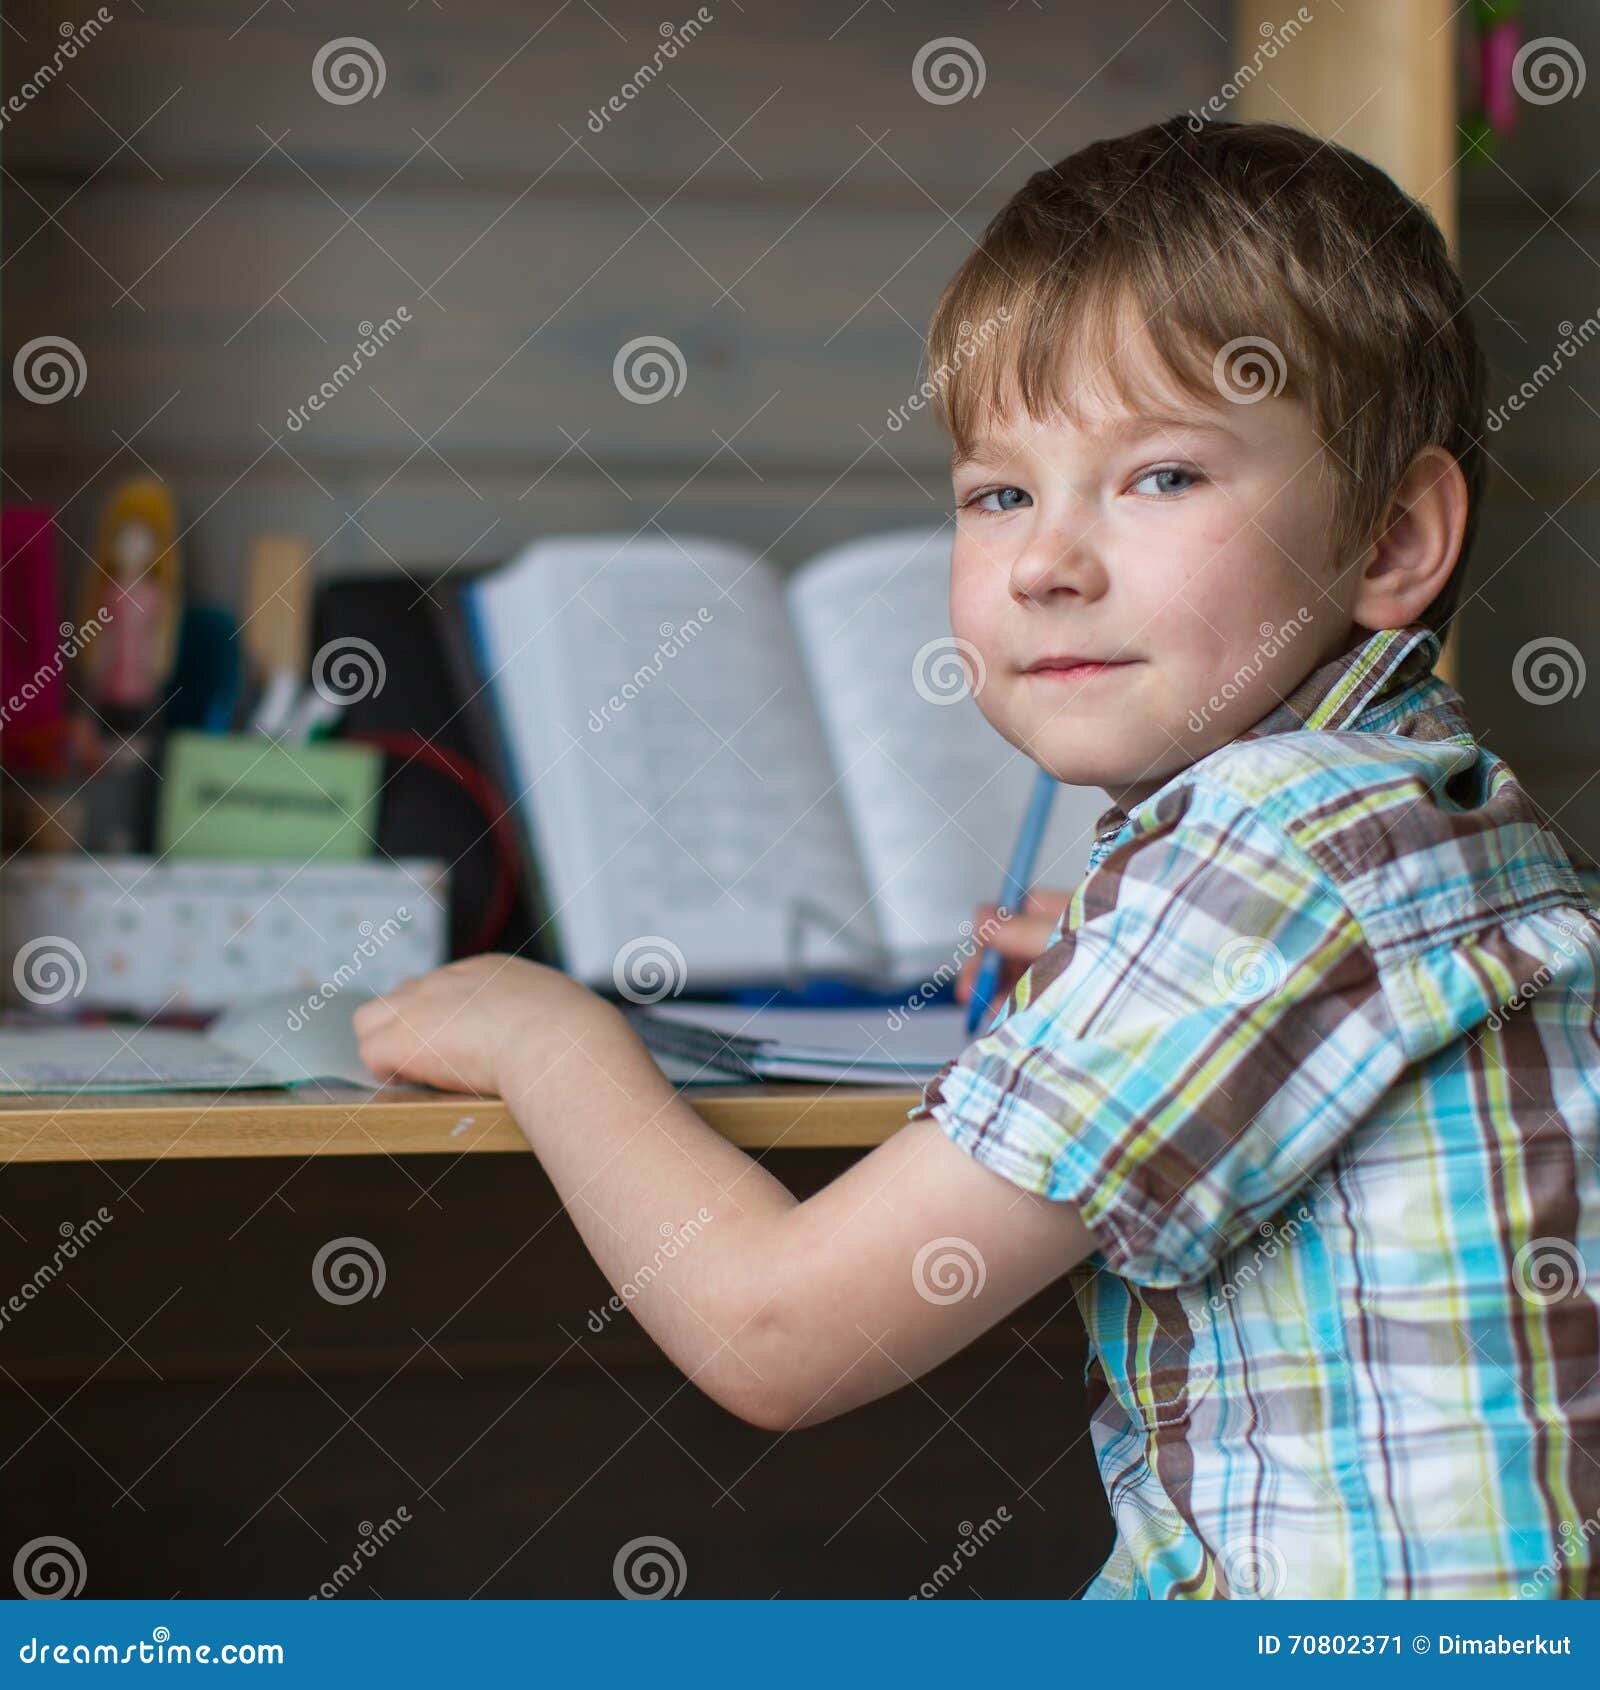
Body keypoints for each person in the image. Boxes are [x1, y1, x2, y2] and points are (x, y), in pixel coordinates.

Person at [354, 116, 1600, 1599]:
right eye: (999, 491)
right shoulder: (1430, 810)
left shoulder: (1260, 858)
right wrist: (1131, 941)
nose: (1044, 562)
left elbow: (775, 1335)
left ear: (1395, 538)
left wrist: (545, 1025)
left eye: (1161, 477)